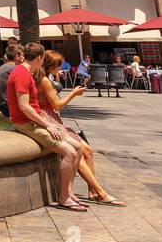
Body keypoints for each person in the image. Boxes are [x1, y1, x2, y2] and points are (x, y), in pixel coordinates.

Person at [38, 50, 124, 206]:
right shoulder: (44, 80)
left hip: (55, 118)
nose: (60, 68)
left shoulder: (48, 78)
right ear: (50, 65)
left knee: (88, 151)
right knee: (78, 149)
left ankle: (92, 191)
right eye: (58, 65)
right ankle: (101, 192)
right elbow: (57, 105)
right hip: (49, 119)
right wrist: (73, 93)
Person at [8, 42, 87, 212]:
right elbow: (24, 107)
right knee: (69, 152)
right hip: (27, 123)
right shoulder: (21, 74)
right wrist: (47, 124)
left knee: (79, 148)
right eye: (42, 58)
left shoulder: (28, 73)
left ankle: (69, 191)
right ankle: (63, 197)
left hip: (36, 120)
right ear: (38, 58)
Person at [0, 43, 23, 118]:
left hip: (3, 107)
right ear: (17, 57)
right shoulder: (14, 69)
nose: (24, 58)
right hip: (9, 109)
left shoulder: (3, 67)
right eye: (22, 55)